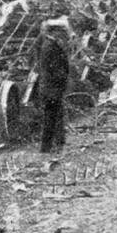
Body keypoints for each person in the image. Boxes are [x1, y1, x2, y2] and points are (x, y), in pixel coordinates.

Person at [34, 20, 70, 153]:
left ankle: (53, 145)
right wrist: (63, 78)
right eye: (61, 31)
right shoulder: (50, 46)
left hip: (51, 87)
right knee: (51, 117)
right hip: (52, 88)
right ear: (54, 31)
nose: (63, 34)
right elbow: (55, 68)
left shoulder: (50, 44)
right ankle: (47, 147)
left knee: (53, 116)